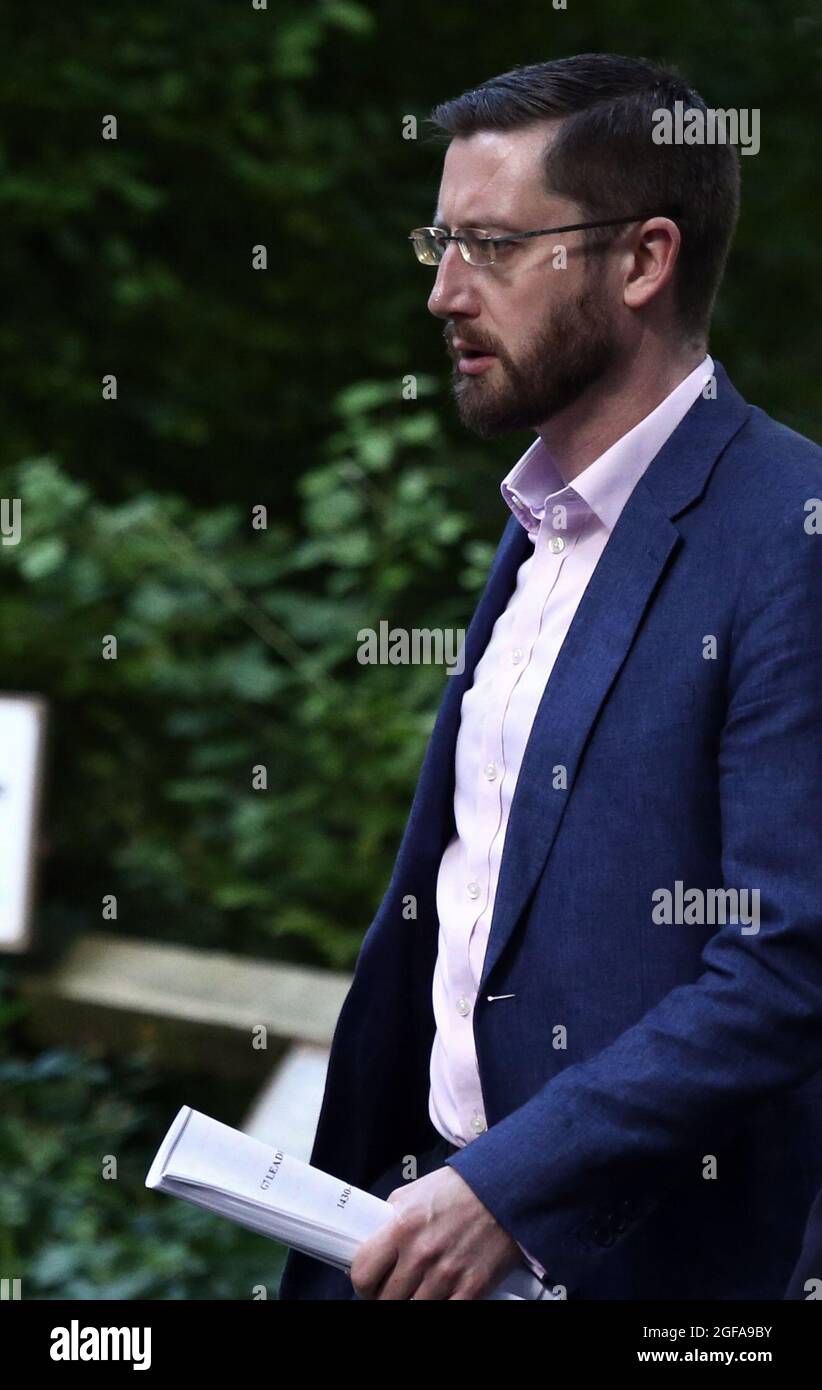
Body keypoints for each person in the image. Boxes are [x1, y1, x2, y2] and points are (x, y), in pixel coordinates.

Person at [278, 53, 822, 1301]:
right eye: (439, 241)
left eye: (491, 246)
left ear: (641, 261)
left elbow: (789, 961)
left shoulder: (791, 534)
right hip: (427, 1230)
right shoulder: (541, 522)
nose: (442, 294)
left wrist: (511, 1185)